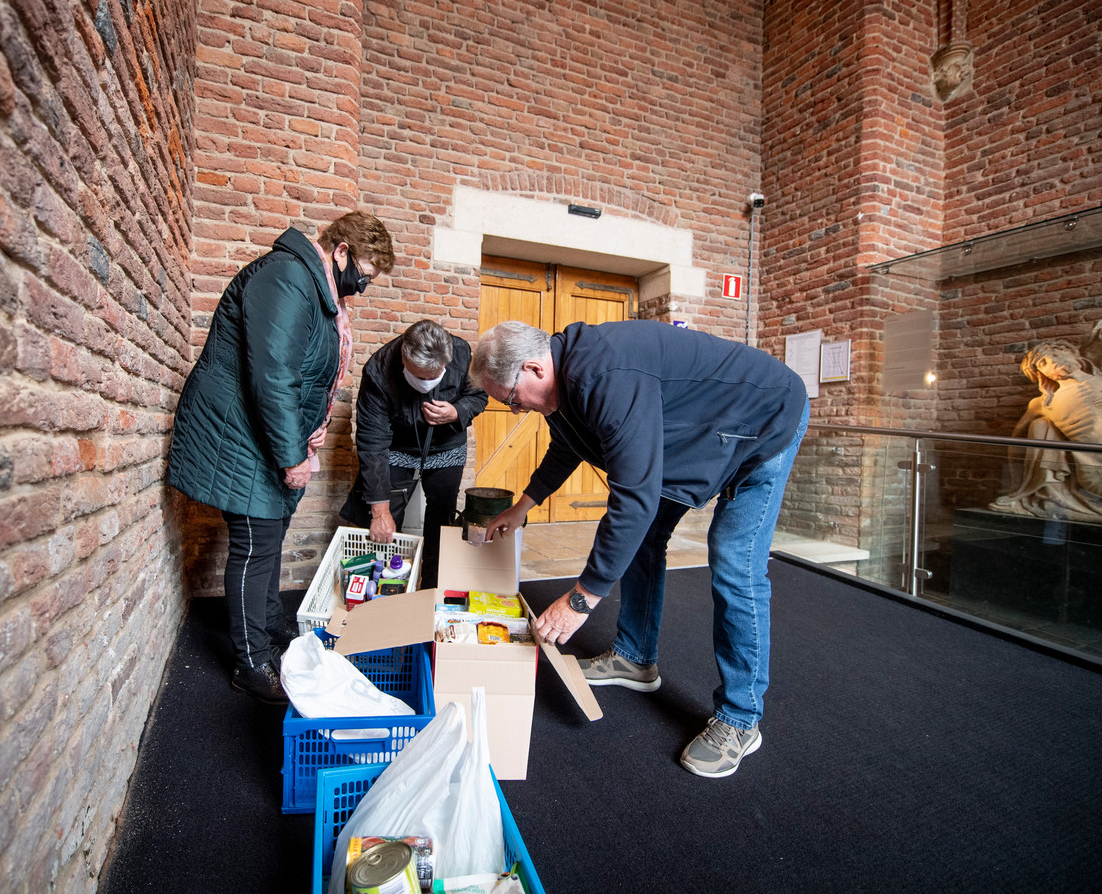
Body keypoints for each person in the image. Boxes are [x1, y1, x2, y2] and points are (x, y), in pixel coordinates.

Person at [469, 319, 809, 778]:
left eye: (510, 400)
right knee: (645, 539)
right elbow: (567, 447)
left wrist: (580, 600)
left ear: (533, 368)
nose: (515, 410)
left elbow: (633, 498)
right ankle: (635, 657)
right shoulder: (563, 381)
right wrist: (524, 505)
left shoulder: (606, 375)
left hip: (766, 420)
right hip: (705, 430)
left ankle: (740, 718)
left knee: (734, 565)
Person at [166, 211, 395, 704]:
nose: (363, 286)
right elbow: (273, 375)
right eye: (365, 273)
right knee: (254, 543)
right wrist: (293, 455)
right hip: (242, 433)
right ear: (340, 252)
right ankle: (250, 663)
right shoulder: (288, 275)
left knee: (268, 538)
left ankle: (270, 630)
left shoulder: (316, 288)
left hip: (265, 435)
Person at [339, 320, 488, 587]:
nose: (427, 384)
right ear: (404, 358)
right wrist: (379, 511)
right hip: (397, 447)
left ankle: (432, 587)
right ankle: (384, 587)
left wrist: (457, 412)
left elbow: (478, 396)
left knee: (442, 520)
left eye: (435, 376)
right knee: (383, 522)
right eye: (420, 377)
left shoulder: (462, 352)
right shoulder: (379, 370)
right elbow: (373, 442)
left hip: (447, 446)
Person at [991, 340, 1102, 522]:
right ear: (1041, 375)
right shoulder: (1046, 403)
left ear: (1071, 353)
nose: (1053, 362)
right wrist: (1016, 485)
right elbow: (1017, 441)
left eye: (1055, 354)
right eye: (1043, 363)